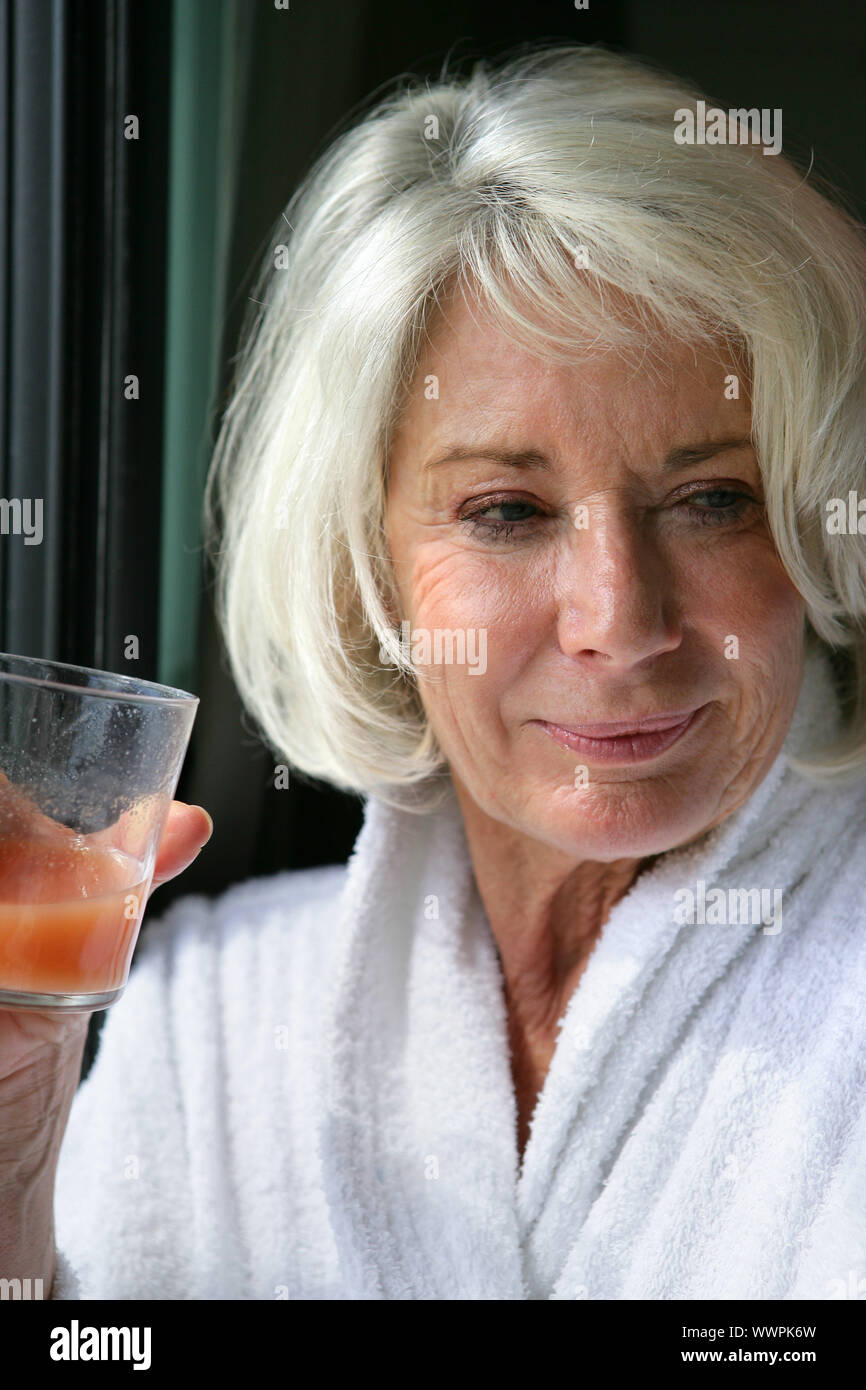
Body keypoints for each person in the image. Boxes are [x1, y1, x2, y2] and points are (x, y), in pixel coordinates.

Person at [5, 41, 866, 1301]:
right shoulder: (207, 1021)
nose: (618, 621)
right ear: (366, 562)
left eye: (710, 498)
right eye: (507, 510)